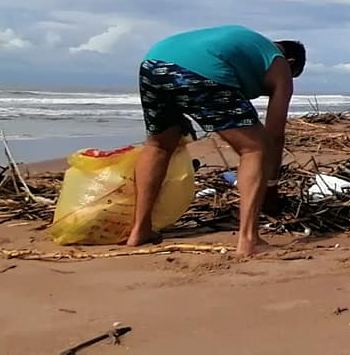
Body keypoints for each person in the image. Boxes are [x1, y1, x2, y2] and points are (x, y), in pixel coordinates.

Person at [129, 25, 305, 256]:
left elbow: (180, 73)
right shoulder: (278, 62)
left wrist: (179, 111)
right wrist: (271, 187)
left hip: (153, 63)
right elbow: (275, 133)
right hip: (202, 69)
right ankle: (249, 239)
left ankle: (140, 230)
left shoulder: (248, 47)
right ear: (291, 62)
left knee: (159, 145)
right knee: (255, 148)